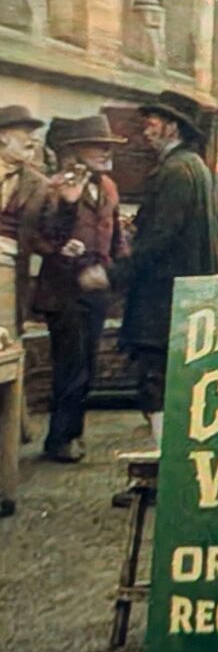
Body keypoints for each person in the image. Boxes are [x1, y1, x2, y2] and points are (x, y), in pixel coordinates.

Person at [82, 91, 218, 448]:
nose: (146, 129)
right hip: (186, 295)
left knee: (155, 381)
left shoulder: (174, 171)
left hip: (164, 297)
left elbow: (159, 238)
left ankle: (162, 467)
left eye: (153, 121)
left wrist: (112, 274)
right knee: (176, 382)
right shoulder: (196, 167)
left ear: (173, 127)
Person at [28, 115, 127, 463]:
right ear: (74, 152)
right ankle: (60, 439)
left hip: (97, 291)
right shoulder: (55, 188)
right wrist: (63, 234)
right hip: (65, 290)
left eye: (108, 146)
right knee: (70, 367)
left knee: (88, 366)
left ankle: (73, 434)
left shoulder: (110, 187)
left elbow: (116, 238)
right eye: (98, 146)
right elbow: (41, 236)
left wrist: (117, 272)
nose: (105, 152)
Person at [0, 105, 47, 342]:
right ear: (3, 135)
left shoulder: (39, 184)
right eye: (25, 131)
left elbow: (45, 231)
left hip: (9, 274)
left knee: (6, 346)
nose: (33, 139)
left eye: (35, 133)